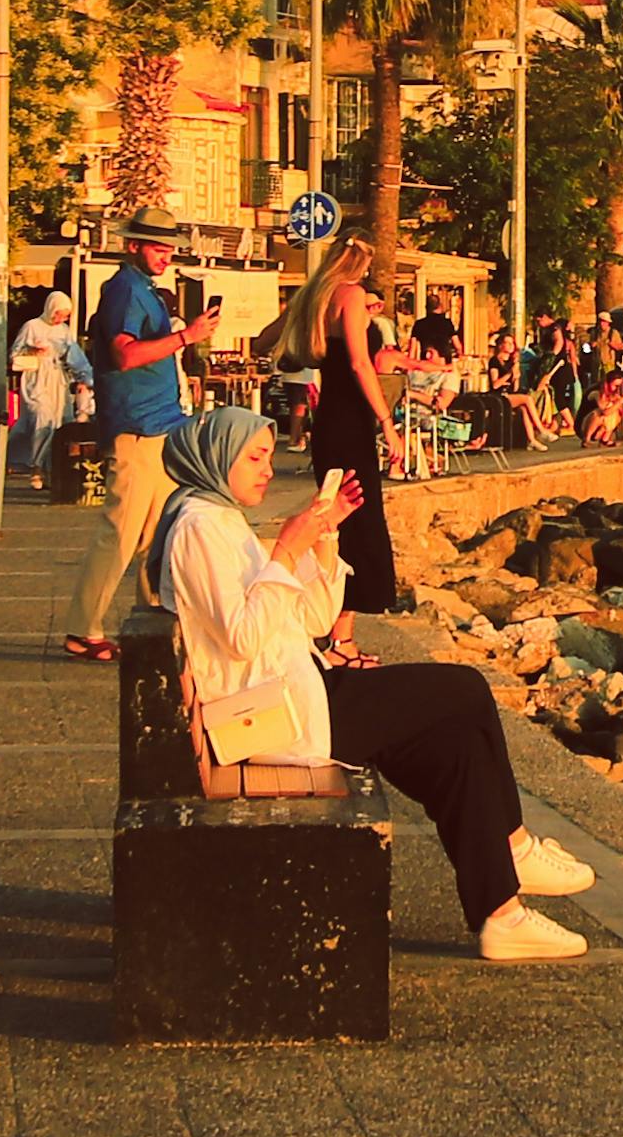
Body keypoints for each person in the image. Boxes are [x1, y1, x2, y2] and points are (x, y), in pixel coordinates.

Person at [149, 406, 591, 962]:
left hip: (297, 690)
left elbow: (310, 620)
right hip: (270, 715)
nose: (267, 468)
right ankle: (513, 849)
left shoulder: (219, 518)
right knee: (465, 690)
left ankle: (501, 912)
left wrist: (324, 540)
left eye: (267, 455)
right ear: (215, 459)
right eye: (255, 458)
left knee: (452, 748)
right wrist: (285, 548)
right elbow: (243, 636)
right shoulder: (198, 528)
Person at [72, 214, 206, 653]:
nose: (166, 254)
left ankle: (150, 623)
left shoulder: (143, 290)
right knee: (121, 532)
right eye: (156, 247)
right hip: (137, 426)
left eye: (169, 247)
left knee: (157, 533)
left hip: (158, 425)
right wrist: (186, 337)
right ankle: (83, 628)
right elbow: (125, 355)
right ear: (133, 247)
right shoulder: (125, 290)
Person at [300, 239, 415, 611]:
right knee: (360, 518)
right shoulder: (350, 295)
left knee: (337, 520)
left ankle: (336, 629)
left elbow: (269, 340)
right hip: (351, 419)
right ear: (361, 265)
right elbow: (360, 363)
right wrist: (387, 422)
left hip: (328, 419)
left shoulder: (313, 295)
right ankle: (345, 629)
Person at [7, 281, 78, 489]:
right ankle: (35, 467)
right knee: (40, 420)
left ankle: (50, 469)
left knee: (58, 425)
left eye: (65, 315)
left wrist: (85, 377)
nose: (60, 319)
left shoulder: (64, 331)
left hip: (57, 381)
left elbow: (74, 357)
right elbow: (14, 354)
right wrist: (32, 351)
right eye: (59, 314)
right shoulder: (32, 327)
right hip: (36, 380)